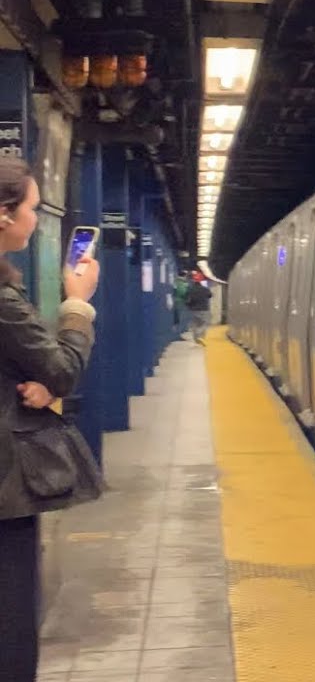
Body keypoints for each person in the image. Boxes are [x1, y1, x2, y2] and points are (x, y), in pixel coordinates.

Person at [0, 158, 99, 681]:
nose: (36, 219)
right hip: (4, 489)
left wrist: (34, 383)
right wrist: (78, 305)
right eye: (33, 209)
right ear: (2, 214)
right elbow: (61, 368)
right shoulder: (2, 299)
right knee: (11, 623)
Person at [185, 275, 212, 345]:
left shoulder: (190, 289)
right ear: (201, 282)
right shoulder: (205, 289)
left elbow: (187, 299)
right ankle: (201, 337)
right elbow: (210, 295)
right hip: (204, 309)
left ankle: (196, 340)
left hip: (193, 310)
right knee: (205, 323)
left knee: (195, 325)